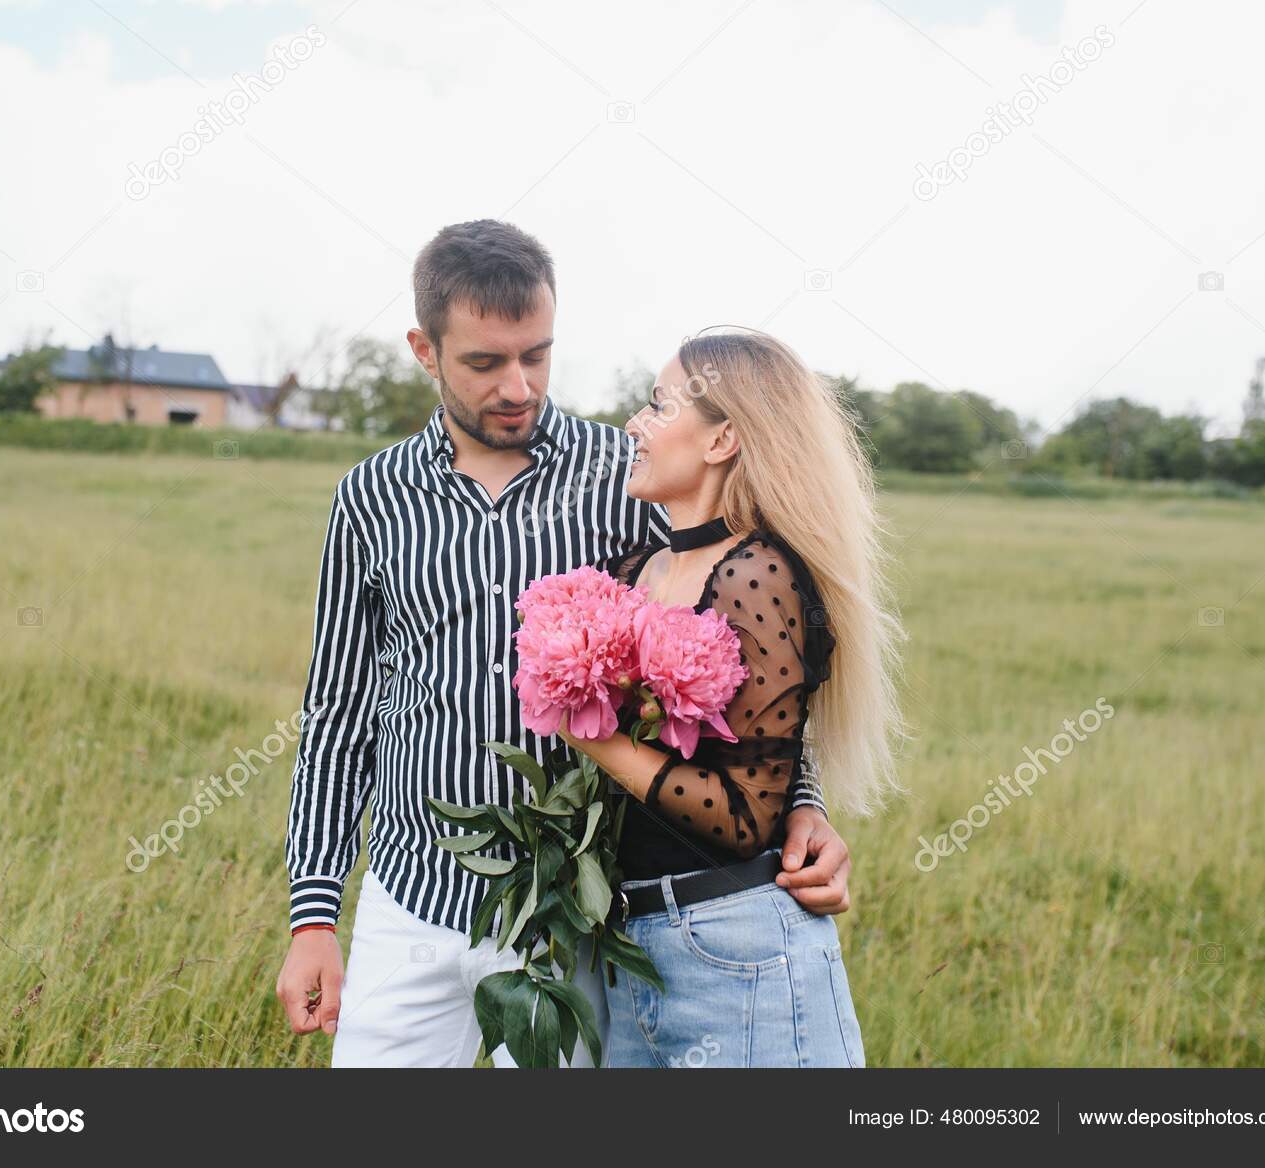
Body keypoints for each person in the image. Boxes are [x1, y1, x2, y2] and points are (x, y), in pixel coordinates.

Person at [275, 221, 854, 1067]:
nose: (519, 386)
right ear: (425, 351)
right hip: (411, 893)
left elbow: (732, 653)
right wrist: (313, 917)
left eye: (537, 355)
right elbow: (337, 711)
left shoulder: (628, 476)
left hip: (571, 908)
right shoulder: (371, 497)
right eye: (484, 362)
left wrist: (803, 801)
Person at [555, 329, 903, 1066]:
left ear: (722, 440)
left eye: (658, 406)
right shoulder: (635, 571)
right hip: (634, 950)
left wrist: (595, 737)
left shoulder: (756, 575)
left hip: (738, 951)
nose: (633, 425)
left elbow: (745, 817)